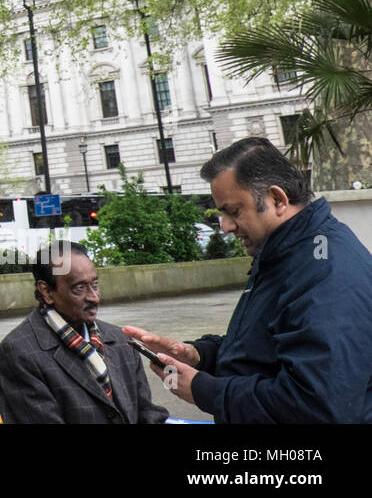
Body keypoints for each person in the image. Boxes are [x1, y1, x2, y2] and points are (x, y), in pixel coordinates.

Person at [124, 137, 372, 423]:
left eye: (234, 211)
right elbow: (267, 347)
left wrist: (202, 389)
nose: (226, 227)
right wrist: (198, 356)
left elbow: (316, 404)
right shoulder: (286, 253)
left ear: (277, 199)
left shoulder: (324, 269)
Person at [0, 242, 168, 424]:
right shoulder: (20, 353)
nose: (94, 297)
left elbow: (148, 414)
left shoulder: (120, 339)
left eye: (95, 284)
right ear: (47, 291)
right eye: (79, 288)